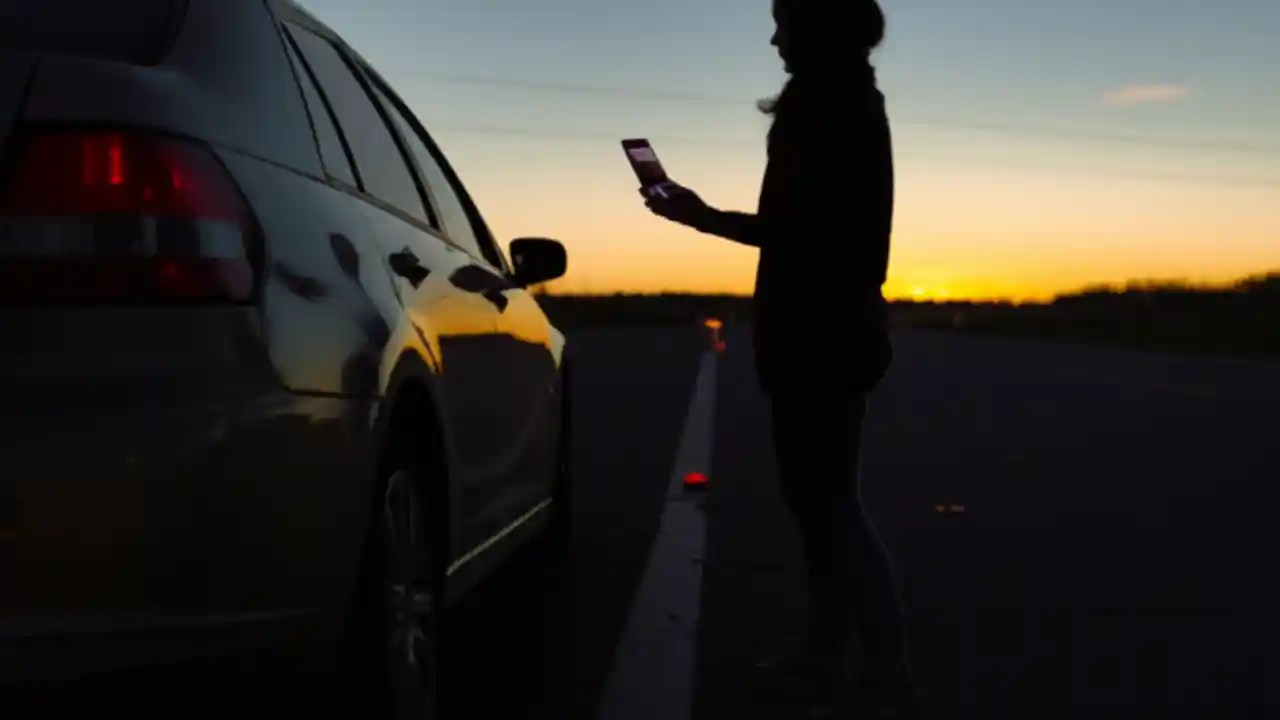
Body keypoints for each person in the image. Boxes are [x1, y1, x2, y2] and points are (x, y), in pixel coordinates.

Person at [641, 0, 913, 716]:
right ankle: (830, 661)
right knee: (822, 505)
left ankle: (881, 669)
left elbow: (798, 230)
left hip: (820, 331)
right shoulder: (844, 103)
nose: (773, 36)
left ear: (818, 29)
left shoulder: (832, 112)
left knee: (828, 507)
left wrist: (697, 215)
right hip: (829, 328)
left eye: (784, 22)